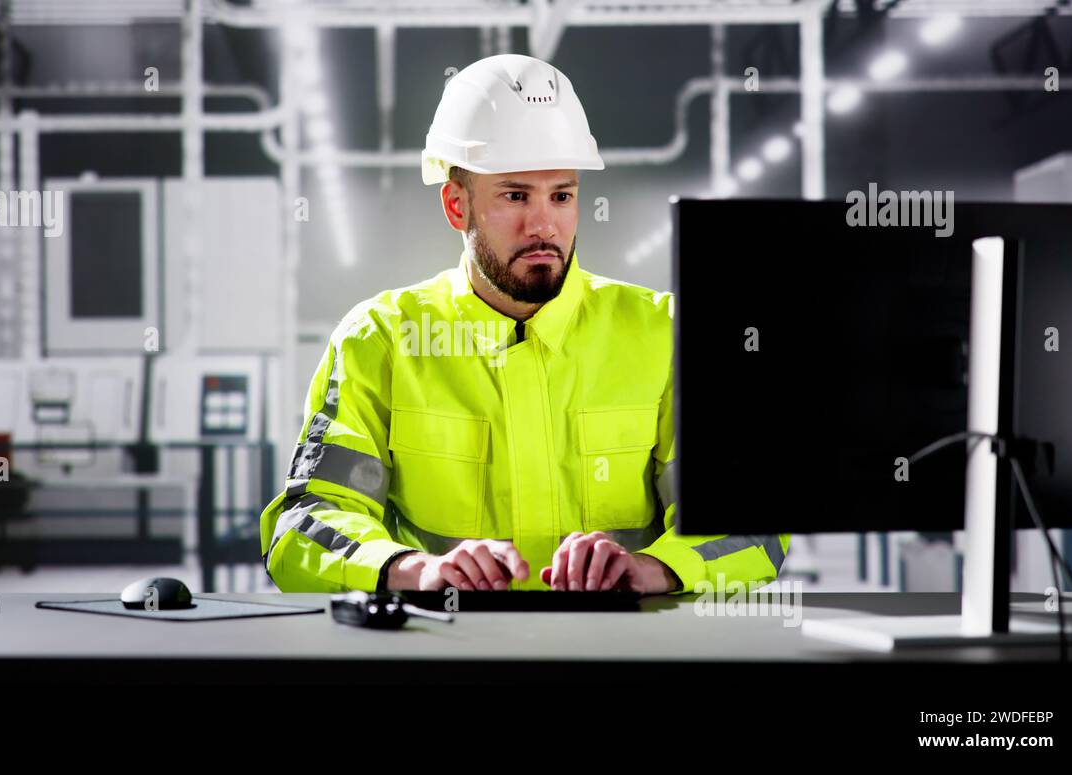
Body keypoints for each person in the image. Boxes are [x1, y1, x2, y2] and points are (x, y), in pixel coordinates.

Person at [259, 54, 789, 593]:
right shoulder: (382, 339)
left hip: (627, 657)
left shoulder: (669, 334)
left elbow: (754, 525)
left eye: (561, 195)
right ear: (455, 205)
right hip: (451, 652)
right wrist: (416, 570)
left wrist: (656, 569)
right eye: (515, 196)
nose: (543, 225)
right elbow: (302, 522)